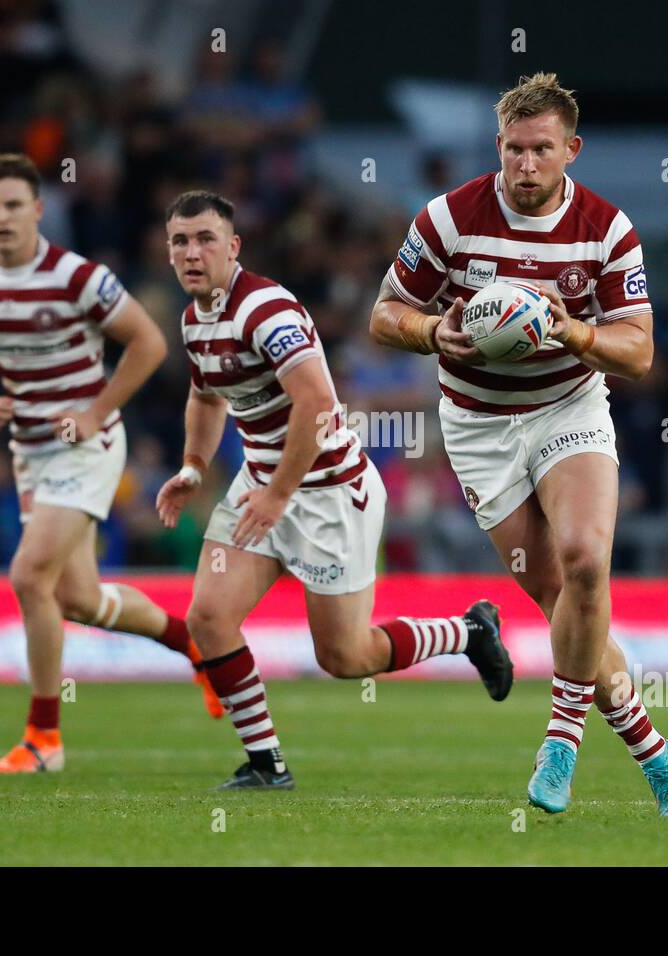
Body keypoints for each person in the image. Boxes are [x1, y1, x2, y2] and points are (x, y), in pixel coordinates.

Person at [369, 73, 668, 816]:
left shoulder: (606, 231)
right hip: (480, 427)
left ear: (570, 151)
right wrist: (432, 331)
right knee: (558, 595)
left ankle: (560, 741)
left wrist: (573, 330)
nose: (524, 165)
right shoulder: (448, 220)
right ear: (498, 147)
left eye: (540, 150)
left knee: (586, 561)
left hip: (567, 407)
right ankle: (653, 749)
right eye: (513, 149)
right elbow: (383, 313)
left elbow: (640, 352)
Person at [156, 190, 512, 790]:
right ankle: (267, 766)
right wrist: (194, 465)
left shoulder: (264, 309)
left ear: (233, 247)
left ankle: (470, 631)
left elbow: (319, 404)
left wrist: (277, 494)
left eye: (205, 239)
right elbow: (206, 394)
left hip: (328, 492)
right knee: (209, 618)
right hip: (261, 486)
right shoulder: (195, 319)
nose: (192, 252)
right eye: (180, 241)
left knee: (345, 657)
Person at [0, 153, 222, 775]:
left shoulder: (78, 277)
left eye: (14, 204)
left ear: (38, 210)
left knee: (28, 575)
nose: (2, 216)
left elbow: (148, 342)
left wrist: (96, 411)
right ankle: (195, 646)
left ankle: (44, 738)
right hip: (30, 454)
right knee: (79, 599)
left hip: (87, 446)